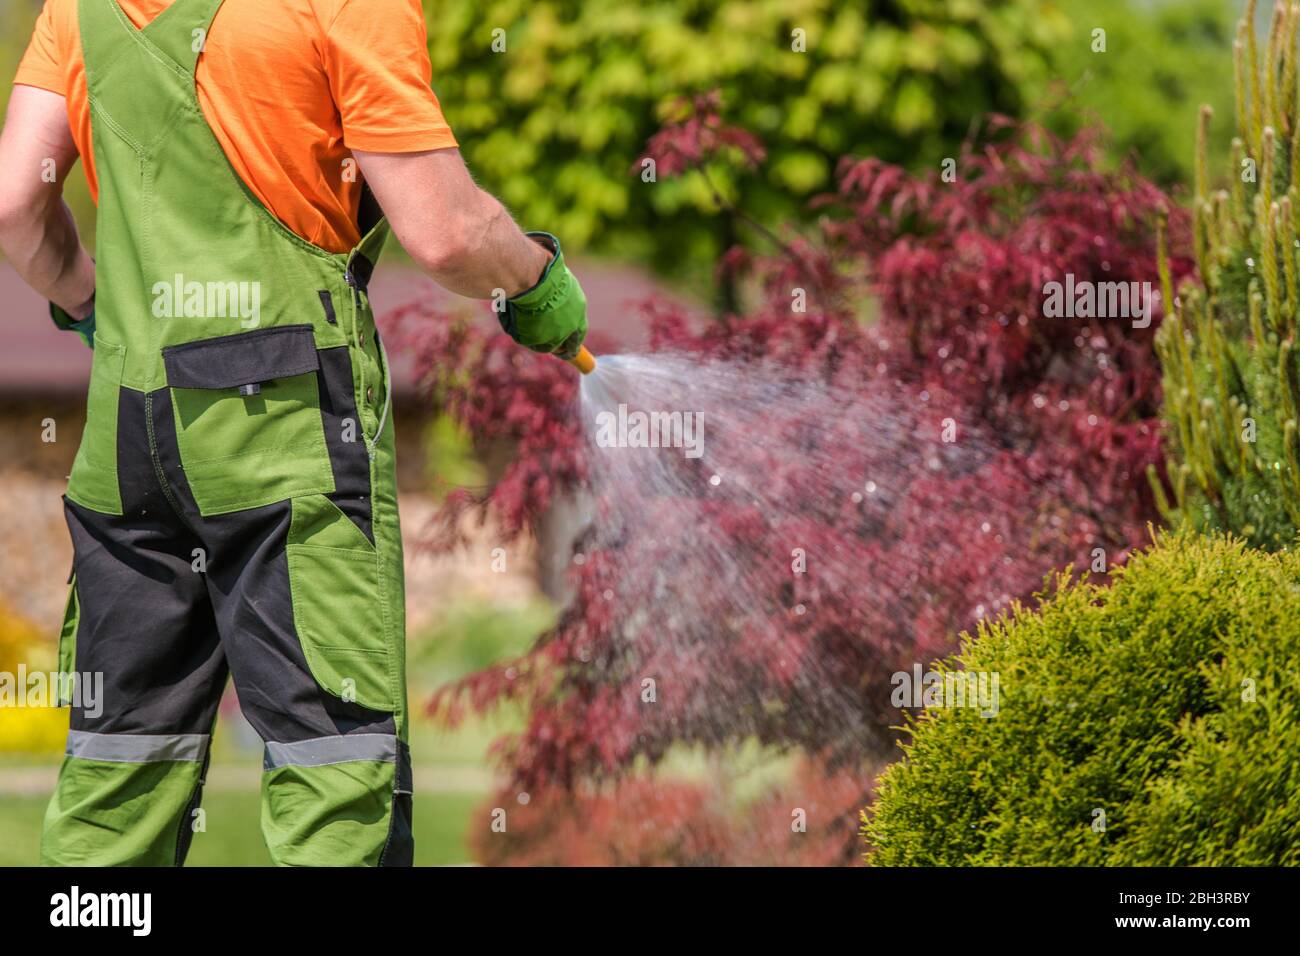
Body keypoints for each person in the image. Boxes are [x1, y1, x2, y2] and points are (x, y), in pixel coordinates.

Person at [0, 0, 587, 867]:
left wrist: (94, 307)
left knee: (115, 781)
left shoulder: (77, 6)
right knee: (333, 776)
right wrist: (534, 283)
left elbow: (15, 204)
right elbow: (445, 231)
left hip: (127, 437)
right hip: (288, 431)